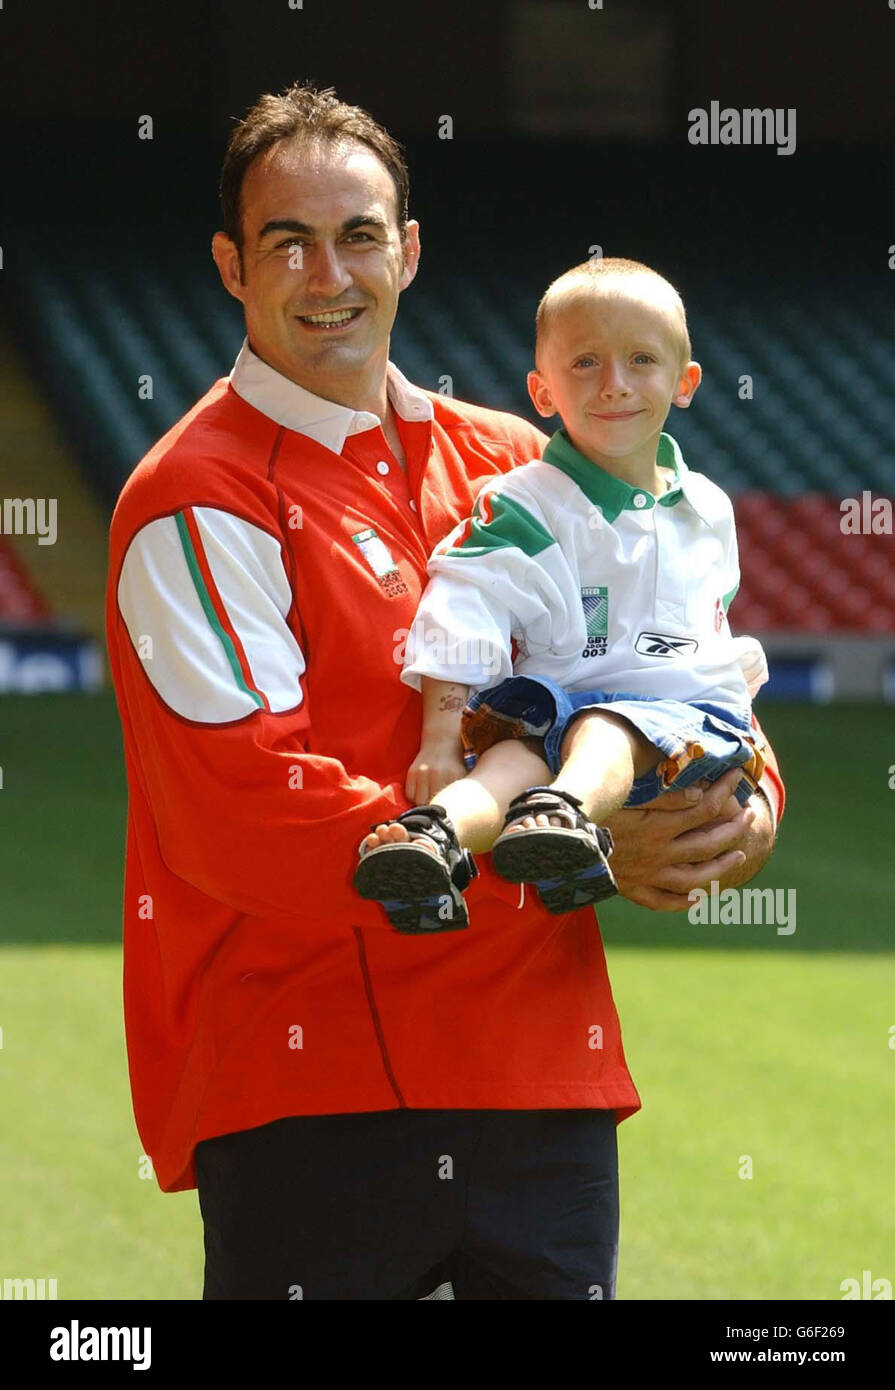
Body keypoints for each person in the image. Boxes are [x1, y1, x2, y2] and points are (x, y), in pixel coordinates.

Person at [105, 83, 785, 1300]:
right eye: (286, 241)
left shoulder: (533, 462)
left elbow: (678, 663)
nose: (330, 273)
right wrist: (572, 838)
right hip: (313, 1096)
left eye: (359, 234)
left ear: (407, 252)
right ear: (229, 266)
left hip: (543, 1082)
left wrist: (728, 806)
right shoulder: (192, 496)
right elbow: (242, 813)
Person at [354, 258, 770, 928]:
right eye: (584, 363)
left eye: (640, 360)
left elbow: (709, 626)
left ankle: (560, 814)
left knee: (605, 728)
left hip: (679, 726)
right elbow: (464, 604)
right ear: (541, 391)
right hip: (559, 713)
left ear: (684, 382)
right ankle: (434, 838)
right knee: (508, 757)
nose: (614, 385)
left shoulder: (707, 509)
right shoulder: (524, 504)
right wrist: (437, 743)